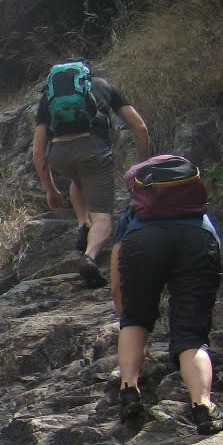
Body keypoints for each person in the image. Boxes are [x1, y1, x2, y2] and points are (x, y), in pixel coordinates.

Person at [108, 161, 223, 436]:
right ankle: (203, 406)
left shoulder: (133, 216)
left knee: (135, 321)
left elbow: (117, 283)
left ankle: (129, 390)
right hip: (197, 242)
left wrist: (125, 314)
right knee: (191, 337)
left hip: (141, 244)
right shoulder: (200, 216)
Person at [31, 61, 150, 288]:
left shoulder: (49, 96)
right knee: (103, 218)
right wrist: (142, 167)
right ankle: (90, 257)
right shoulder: (104, 86)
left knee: (79, 179)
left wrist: (51, 189)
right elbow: (140, 127)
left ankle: (83, 224)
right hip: (93, 152)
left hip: (59, 155)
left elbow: (38, 150)